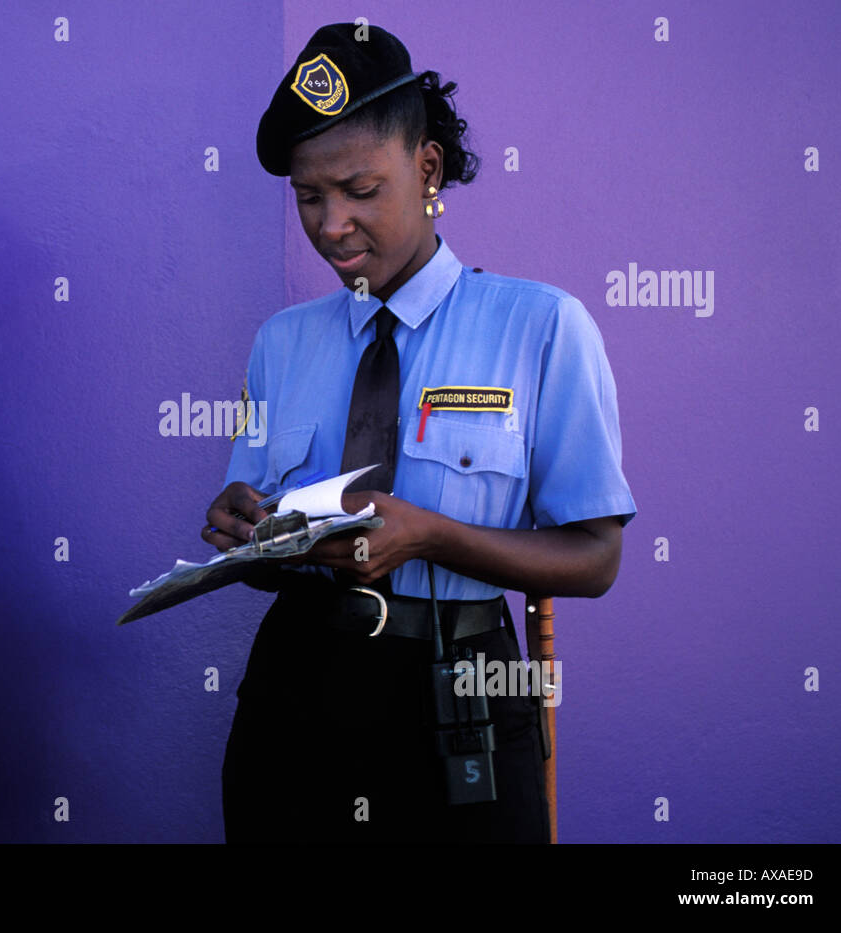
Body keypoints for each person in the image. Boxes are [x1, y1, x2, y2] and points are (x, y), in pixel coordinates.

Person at [204, 25, 636, 843]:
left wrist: (430, 535)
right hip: (292, 701)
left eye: (360, 188)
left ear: (427, 169)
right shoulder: (280, 343)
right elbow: (260, 543)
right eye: (308, 195)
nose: (332, 224)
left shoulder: (541, 327)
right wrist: (243, 532)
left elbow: (596, 557)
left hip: (461, 695)